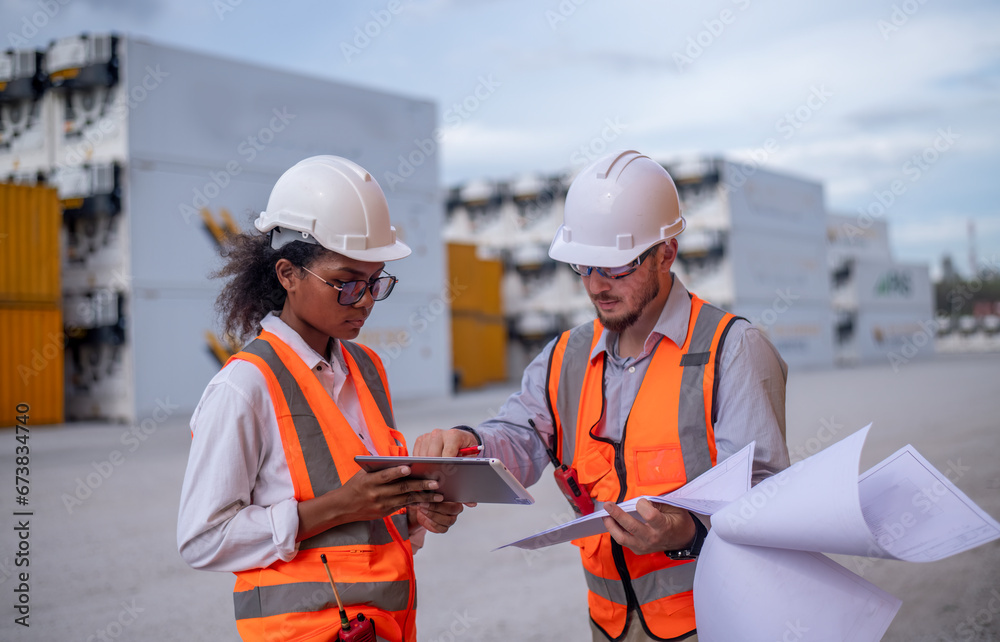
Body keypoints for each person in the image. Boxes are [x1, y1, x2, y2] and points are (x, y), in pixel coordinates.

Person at [415, 150, 790, 642]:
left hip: (717, 620)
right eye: (583, 265)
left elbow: (766, 502)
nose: (596, 285)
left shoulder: (732, 349)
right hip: (612, 625)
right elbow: (518, 437)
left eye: (615, 266)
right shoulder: (565, 357)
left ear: (666, 254)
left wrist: (684, 529)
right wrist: (465, 444)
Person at [177, 155, 462, 642]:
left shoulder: (367, 370)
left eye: (376, 282)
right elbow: (203, 540)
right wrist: (338, 506)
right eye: (347, 282)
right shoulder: (245, 387)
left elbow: (368, 530)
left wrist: (416, 511)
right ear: (288, 274)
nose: (366, 299)